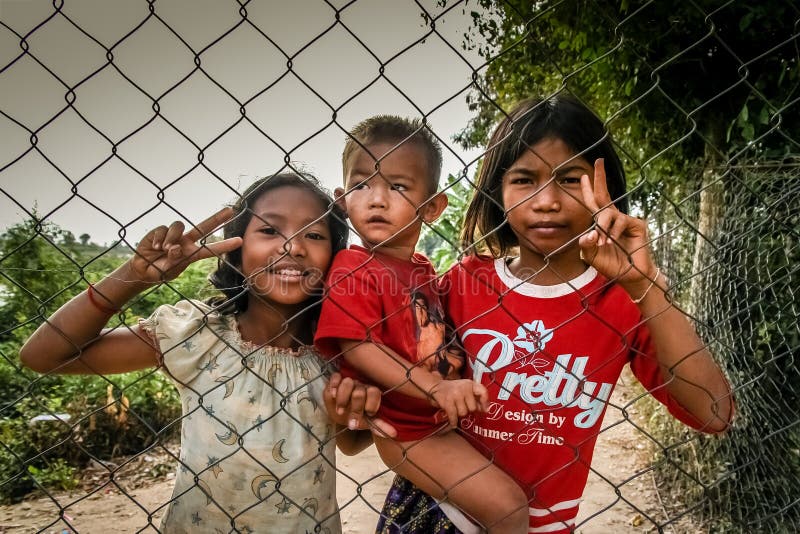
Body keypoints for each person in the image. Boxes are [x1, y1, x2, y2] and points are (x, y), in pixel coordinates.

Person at [376, 94, 735, 534]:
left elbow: (714, 412)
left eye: (569, 179)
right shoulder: (463, 284)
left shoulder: (623, 301)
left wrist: (646, 289)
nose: (546, 201)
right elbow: (395, 376)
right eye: (524, 180)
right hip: (436, 510)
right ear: (498, 191)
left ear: (604, 189)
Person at [20, 172, 396, 534]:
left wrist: (357, 413)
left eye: (314, 234)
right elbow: (44, 355)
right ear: (235, 250)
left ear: (335, 258)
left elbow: (349, 441)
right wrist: (133, 275)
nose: (292, 246)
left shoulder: (341, 352)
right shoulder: (198, 337)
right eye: (269, 230)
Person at [314, 116, 530, 533]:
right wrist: (437, 387)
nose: (376, 199)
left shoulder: (421, 268)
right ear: (342, 199)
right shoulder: (354, 266)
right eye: (362, 185)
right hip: (409, 431)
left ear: (432, 207)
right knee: (508, 508)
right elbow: (356, 345)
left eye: (397, 186)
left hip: (436, 420)